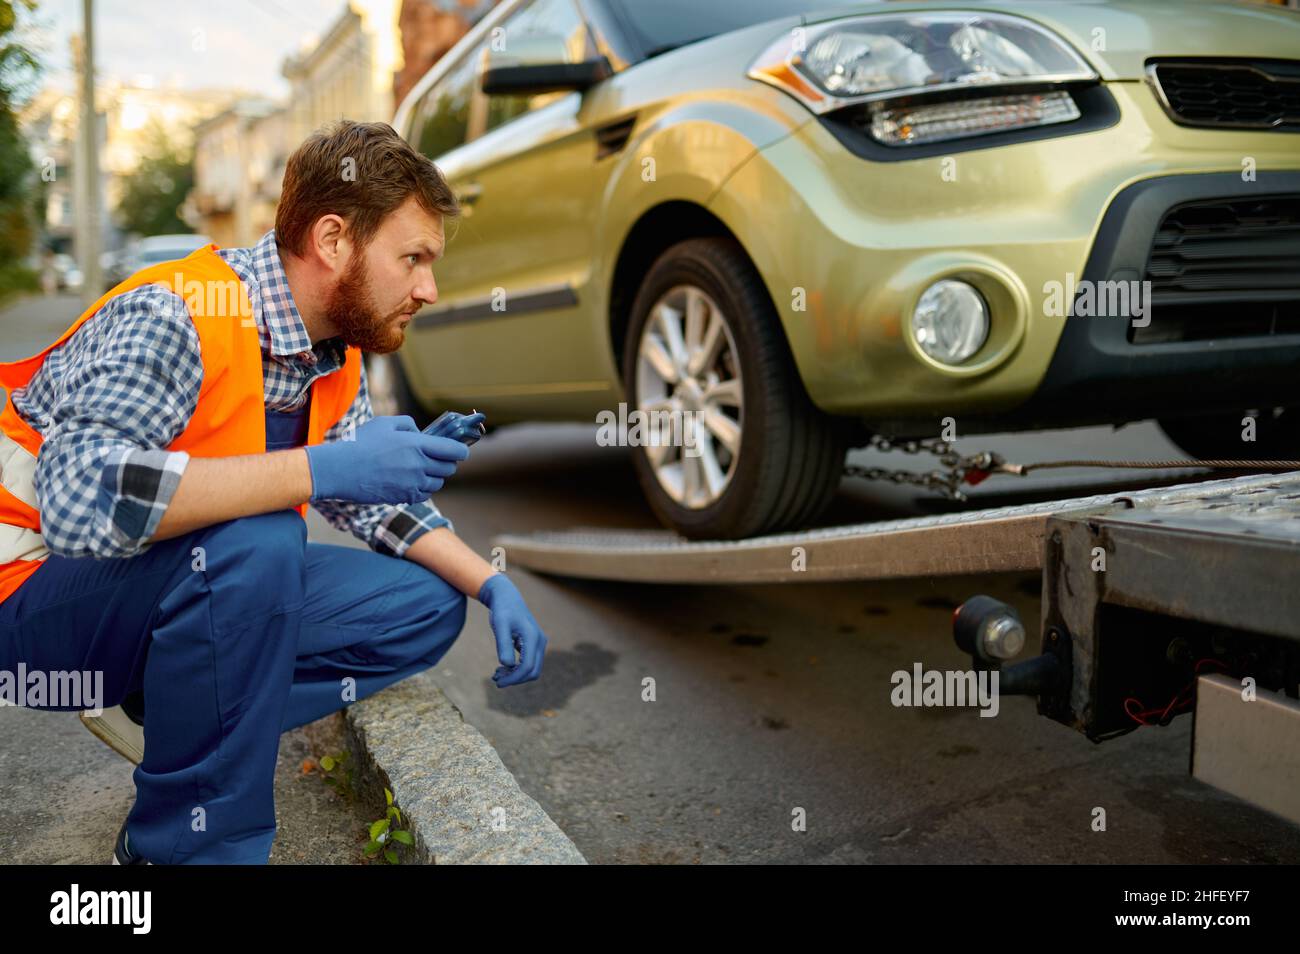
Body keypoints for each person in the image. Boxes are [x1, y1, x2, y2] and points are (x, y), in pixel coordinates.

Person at [0, 119, 548, 865]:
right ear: (332, 241)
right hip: (30, 600)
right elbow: (77, 498)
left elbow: (373, 499)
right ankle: (185, 848)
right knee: (258, 541)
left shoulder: (334, 351)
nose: (429, 288)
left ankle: (180, 712)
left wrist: (491, 585)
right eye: (412, 258)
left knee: (421, 607)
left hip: (159, 590)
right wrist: (323, 469)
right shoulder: (177, 313)